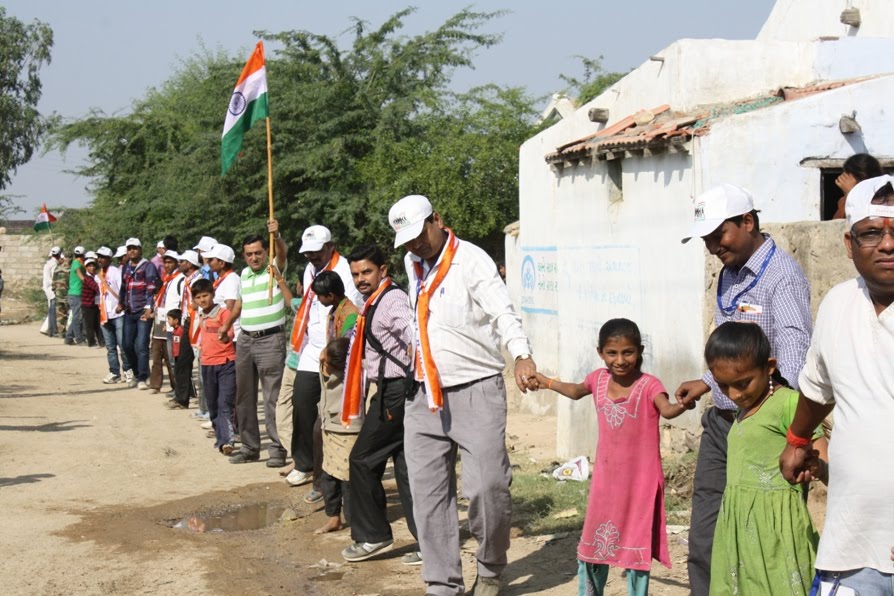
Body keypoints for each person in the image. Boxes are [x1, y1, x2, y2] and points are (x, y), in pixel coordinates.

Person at [390, 194, 538, 596]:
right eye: (406, 241)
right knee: (428, 495)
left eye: (420, 235)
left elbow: (502, 312)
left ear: (437, 220)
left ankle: (490, 569)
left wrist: (521, 355)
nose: (415, 246)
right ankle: (442, 583)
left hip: (476, 390)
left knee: (487, 488)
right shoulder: (411, 263)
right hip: (423, 395)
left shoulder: (472, 260)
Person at [675, 184, 812, 595]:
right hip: (722, 422)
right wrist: (707, 381)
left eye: (720, 235)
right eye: (707, 240)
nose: (714, 246)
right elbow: (731, 346)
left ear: (748, 222)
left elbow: (793, 358)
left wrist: (774, 426)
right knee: (706, 532)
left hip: (764, 428)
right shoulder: (729, 274)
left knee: (764, 536)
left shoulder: (781, 278)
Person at [780, 175, 894, 595]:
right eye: (871, 233)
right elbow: (817, 387)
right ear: (849, 244)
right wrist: (797, 439)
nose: (886, 244)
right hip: (852, 545)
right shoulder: (838, 303)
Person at [532, 319, 685, 596]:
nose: (620, 360)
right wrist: (546, 382)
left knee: (636, 551)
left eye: (628, 352)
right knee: (593, 546)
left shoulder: (650, 385)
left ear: (640, 351)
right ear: (600, 352)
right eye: (612, 353)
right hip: (606, 481)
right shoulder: (597, 379)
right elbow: (575, 391)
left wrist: (683, 403)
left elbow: (667, 409)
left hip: (641, 482)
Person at [704, 322, 826, 596]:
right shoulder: (743, 411)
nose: (734, 394)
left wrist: (817, 466)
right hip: (738, 525)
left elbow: (822, 452)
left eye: (742, 383)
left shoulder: (789, 403)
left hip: (776, 530)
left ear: (769, 367)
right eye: (723, 386)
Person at [340, 244, 420, 566]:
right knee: (405, 470)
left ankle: (373, 536)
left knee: (361, 460)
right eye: (356, 273)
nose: (361, 279)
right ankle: (429, 543)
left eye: (366, 272)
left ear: (383, 270)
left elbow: (415, 335)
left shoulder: (392, 300)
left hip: (395, 392)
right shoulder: (372, 301)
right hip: (391, 391)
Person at [285, 225, 363, 488]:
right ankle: (303, 462)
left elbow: (349, 313)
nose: (312, 257)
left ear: (330, 246)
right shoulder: (310, 270)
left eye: (317, 252)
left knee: (332, 414)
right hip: (311, 347)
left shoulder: (344, 271)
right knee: (302, 401)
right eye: (307, 253)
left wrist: (335, 350)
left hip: (336, 349)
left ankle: (331, 469)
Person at [219, 225, 290, 466]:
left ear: (265, 252)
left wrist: (277, 236)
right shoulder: (244, 276)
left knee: (273, 396)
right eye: (249, 254)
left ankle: (278, 449)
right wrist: (227, 325)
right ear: (244, 256)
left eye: (258, 252)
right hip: (246, 339)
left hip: (271, 339)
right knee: (244, 395)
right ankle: (250, 447)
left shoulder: (274, 269)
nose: (254, 257)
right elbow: (239, 304)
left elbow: (282, 253)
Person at [299, 270, 360, 501]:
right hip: (333, 382)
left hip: (343, 385)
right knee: (321, 432)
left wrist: (327, 359)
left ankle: (326, 486)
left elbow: (345, 352)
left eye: (321, 296)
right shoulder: (335, 312)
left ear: (331, 295)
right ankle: (324, 484)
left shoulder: (350, 315)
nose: (318, 300)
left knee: (324, 432)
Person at [315, 337, 359, 534]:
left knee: (346, 479)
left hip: (346, 432)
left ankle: (353, 521)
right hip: (331, 430)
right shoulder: (333, 369)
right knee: (330, 477)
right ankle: (334, 517)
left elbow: (324, 361)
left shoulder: (348, 375)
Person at [192, 278, 237, 454]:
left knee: (224, 402)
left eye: (205, 295)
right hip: (207, 363)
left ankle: (227, 441)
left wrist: (224, 334)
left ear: (213, 295)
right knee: (212, 404)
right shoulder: (201, 315)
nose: (202, 300)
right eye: (198, 297)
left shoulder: (223, 313)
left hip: (226, 362)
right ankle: (221, 437)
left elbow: (229, 334)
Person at [120, 238, 160, 390]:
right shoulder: (126, 267)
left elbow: (151, 287)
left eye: (135, 248)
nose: (132, 251)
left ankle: (143, 377)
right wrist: (120, 303)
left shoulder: (148, 266)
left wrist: (149, 307)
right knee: (126, 344)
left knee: (142, 345)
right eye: (129, 248)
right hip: (129, 310)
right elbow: (124, 288)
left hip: (143, 309)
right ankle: (137, 373)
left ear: (140, 250)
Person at [170, 250, 203, 410]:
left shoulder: (199, 280)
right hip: (187, 321)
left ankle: (191, 399)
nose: (179, 264)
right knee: (182, 361)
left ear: (189, 264)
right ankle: (182, 397)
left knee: (193, 361)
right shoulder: (186, 281)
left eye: (182, 261)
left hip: (196, 321)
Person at [149, 250, 183, 395]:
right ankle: (155, 384)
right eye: (165, 262)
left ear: (176, 263)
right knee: (156, 355)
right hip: (160, 319)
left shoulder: (179, 279)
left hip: (172, 322)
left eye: (170, 262)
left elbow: (182, 300)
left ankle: (177, 387)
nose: (167, 265)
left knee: (171, 357)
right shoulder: (165, 278)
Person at [97, 246, 130, 384]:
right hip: (105, 314)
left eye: (103, 257)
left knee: (122, 345)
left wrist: (121, 304)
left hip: (118, 313)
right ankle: (114, 372)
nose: (100, 260)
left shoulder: (116, 272)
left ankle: (128, 370)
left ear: (109, 259)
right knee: (110, 347)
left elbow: (123, 289)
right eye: (99, 257)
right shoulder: (98, 275)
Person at [832, 153, 883, 220]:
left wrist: (852, 194)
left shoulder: (884, 196)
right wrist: (849, 196)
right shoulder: (843, 201)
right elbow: (836, 224)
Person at [64, 246, 87, 345]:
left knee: (76, 316)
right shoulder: (77, 264)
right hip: (76, 294)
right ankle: (79, 339)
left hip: (75, 293)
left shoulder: (75, 263)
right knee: (78, 317)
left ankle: (69, 337)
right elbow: (81, 277)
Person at [43, 247, 64, 338]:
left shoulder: (49, 264)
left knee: (51, 310)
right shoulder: (53, 265)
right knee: (53, 311)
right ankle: (54, 330)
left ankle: (51, 330)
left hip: (49, 289)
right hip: (52, 290)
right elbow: (51, 279)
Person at [81, 259, 102, 348]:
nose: (92, 268)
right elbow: (96, 287)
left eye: (93, 266)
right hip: (88, 305)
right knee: (90, 325)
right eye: (90, 266)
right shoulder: (87, 278)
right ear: (86, 268)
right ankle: (91, 342)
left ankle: (101, 342)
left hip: (95, 304)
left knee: (98, 324)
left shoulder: (95, 277)